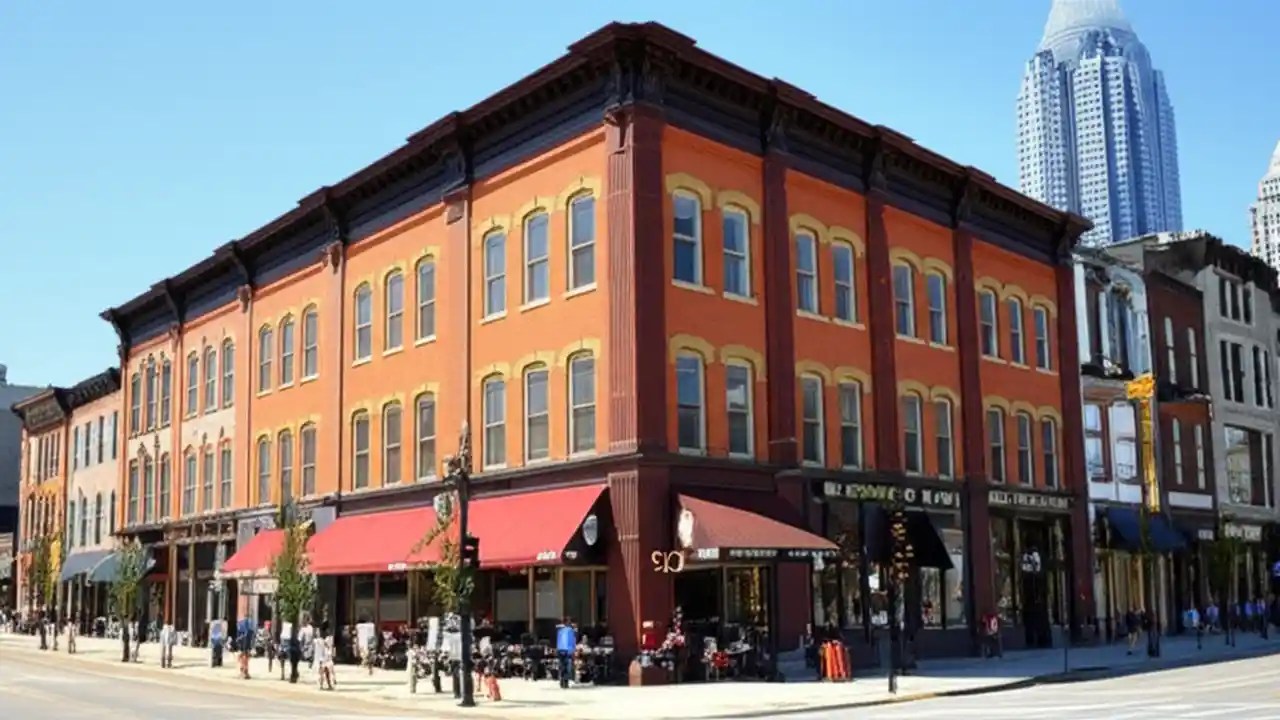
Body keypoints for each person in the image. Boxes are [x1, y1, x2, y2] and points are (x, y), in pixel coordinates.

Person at [555, 616, 577, 689]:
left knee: (562, 666)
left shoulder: (560, 630)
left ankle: (562, 681)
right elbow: (572, 641)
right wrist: (573, 650)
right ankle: (565, 682)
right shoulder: (571, 630)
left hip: (560, 649)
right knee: (567, 666)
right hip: (568, 650)